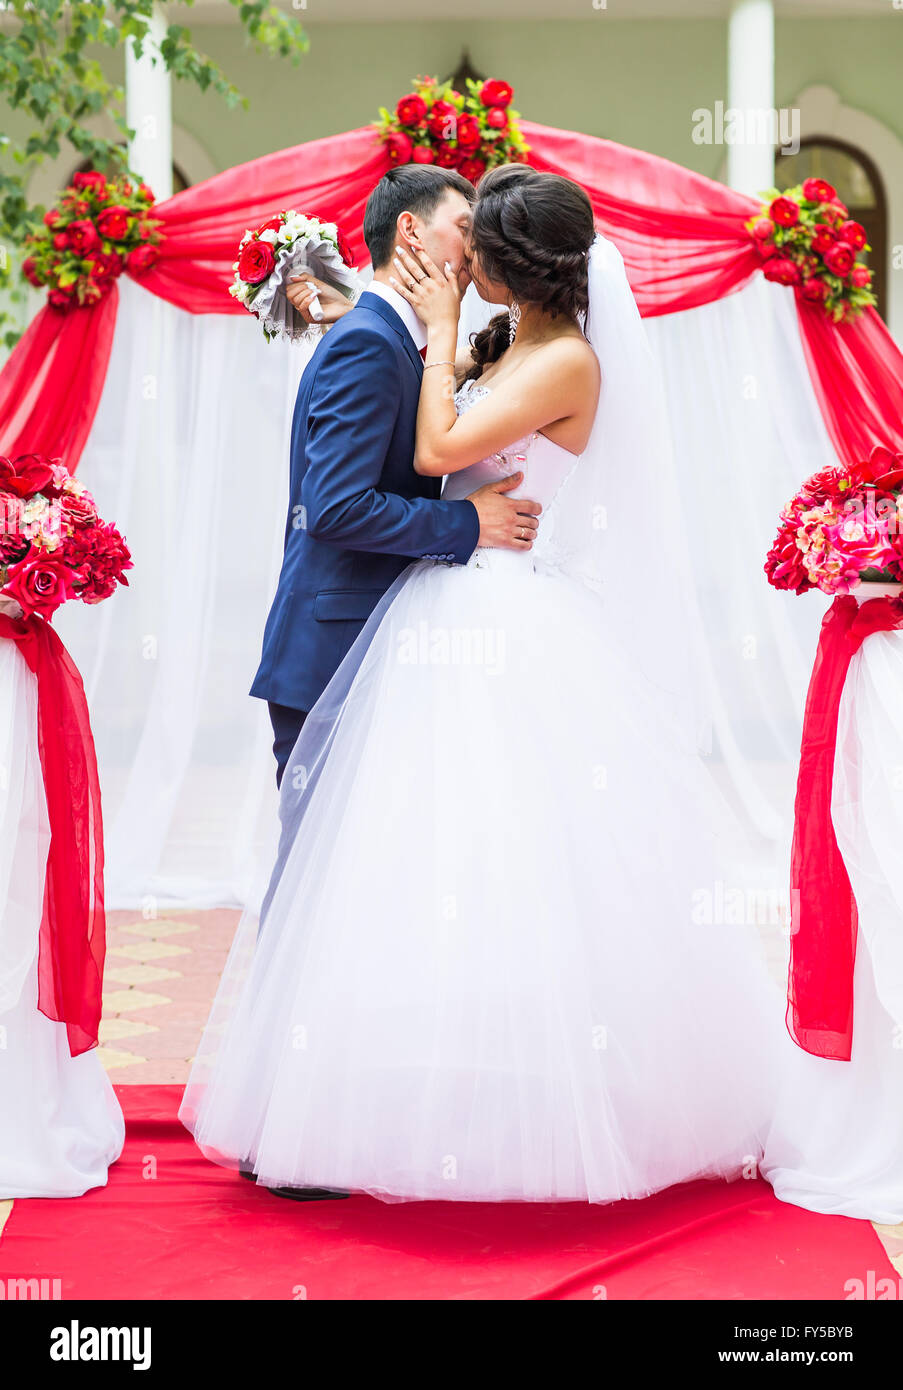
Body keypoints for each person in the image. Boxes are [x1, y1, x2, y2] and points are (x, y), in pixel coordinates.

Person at [181, 166, 781, 1205]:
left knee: (475, 874)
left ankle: (425, 1100)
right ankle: (311, 1107)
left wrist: (445, 329)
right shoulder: (418, 342)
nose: (464, 255)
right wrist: (463, 490)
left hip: (484, 621)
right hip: (389, 629)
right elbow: (345, 499)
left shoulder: (549, 358)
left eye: (478, 243)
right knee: (350, 880)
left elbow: (439, 443)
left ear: (515, 265)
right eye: (458, 235)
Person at [249, 164, 541, 788]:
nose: (477, 245)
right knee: (322, 877)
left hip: (372, 642)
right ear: (410, 230)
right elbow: (335, 508)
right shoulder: (370, 343)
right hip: (335, 652)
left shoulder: (388, 336)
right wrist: (470, 521)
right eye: (465, 226)